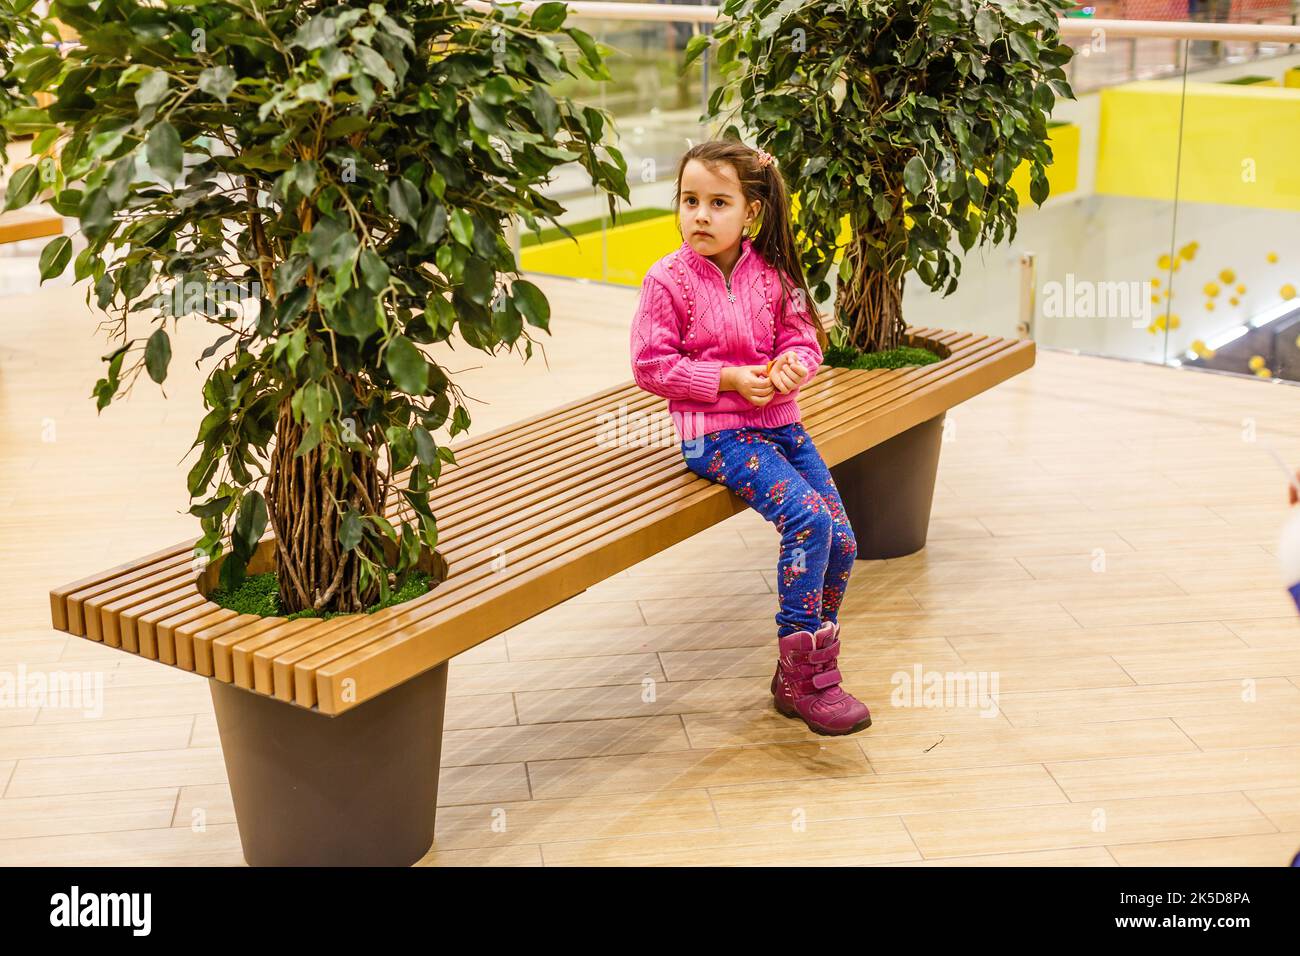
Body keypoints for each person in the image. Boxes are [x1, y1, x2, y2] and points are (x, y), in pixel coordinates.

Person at [628, 138, 872, 736]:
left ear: (751, 212)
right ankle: (811, 673)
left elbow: (804, 340)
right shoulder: (668, 281)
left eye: (718, 202)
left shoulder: (775, 273)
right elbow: (650, 366)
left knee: (842, 541)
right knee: (809, 520)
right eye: (690, 201)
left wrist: (792, 367)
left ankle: (798, 670)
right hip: (715, 436)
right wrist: (728, 378)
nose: (700, 215)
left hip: (782, 426)